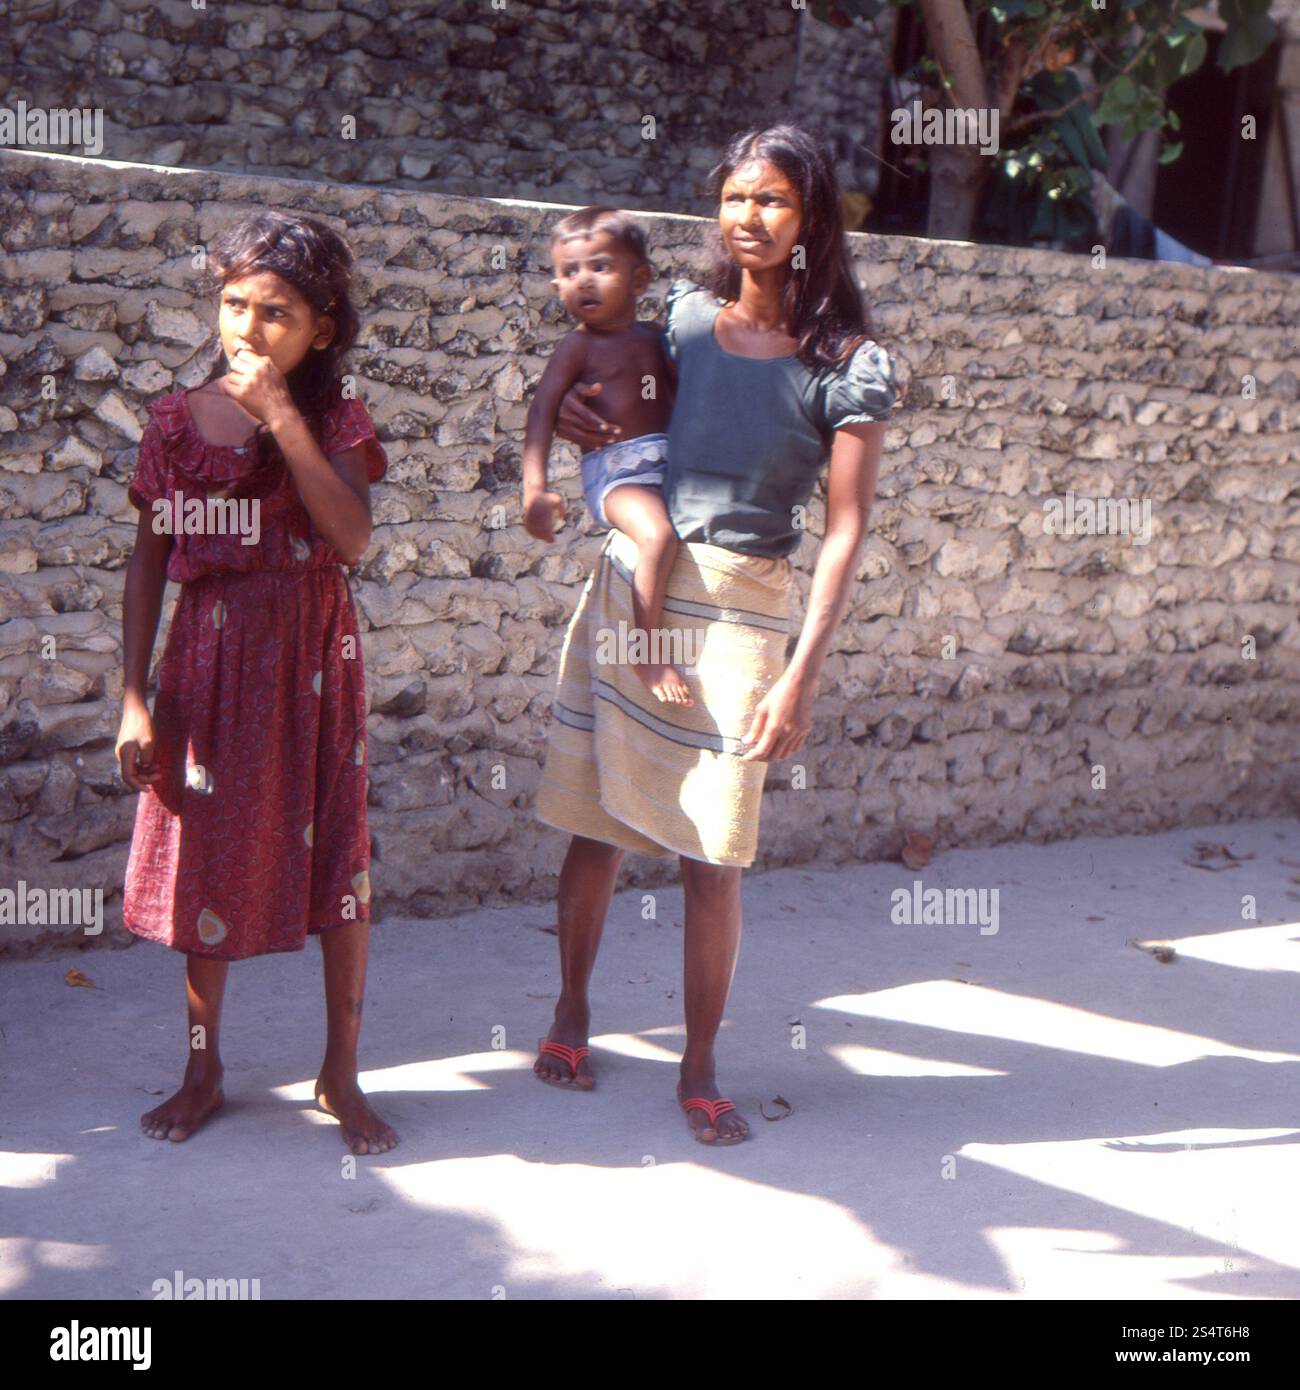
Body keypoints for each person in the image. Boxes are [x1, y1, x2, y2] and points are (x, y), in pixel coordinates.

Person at [532, 124, 898, 1143]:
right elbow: (610, 406)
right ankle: (570, 1011)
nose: (751, 218)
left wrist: (800, 675)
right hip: (638, 588)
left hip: (745, 612)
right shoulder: (683, 320)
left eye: (774, 200)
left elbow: (846, 530)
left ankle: (698, 1065)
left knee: (714, 852)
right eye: (736, 198)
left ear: (811, 216)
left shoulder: (849, 364)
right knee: (597, 821)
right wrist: (576, 432)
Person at [115, 210, 396, 1155]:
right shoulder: (171, 422)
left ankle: (340, 1073)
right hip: (211, 655)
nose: (246, 328)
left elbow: (350, 539)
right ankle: (204, 1069)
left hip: (317, 656)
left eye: (275, 312)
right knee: (208, 860)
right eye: (234, 304)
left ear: (320, 326)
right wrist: (133, 698)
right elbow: (148, 563)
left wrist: (282, 420)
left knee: (339, 864)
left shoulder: (335, 420)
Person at [522, 205, 692, 706]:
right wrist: (534, 489)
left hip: (668, 463)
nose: (583, 282)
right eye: (569, 272)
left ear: (640, 279)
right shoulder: (577, 348)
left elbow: (687, 397)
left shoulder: (658, 338)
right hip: (617, 472)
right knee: (657, 534)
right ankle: (647, 649)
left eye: (600, 266)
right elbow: (540, 414)